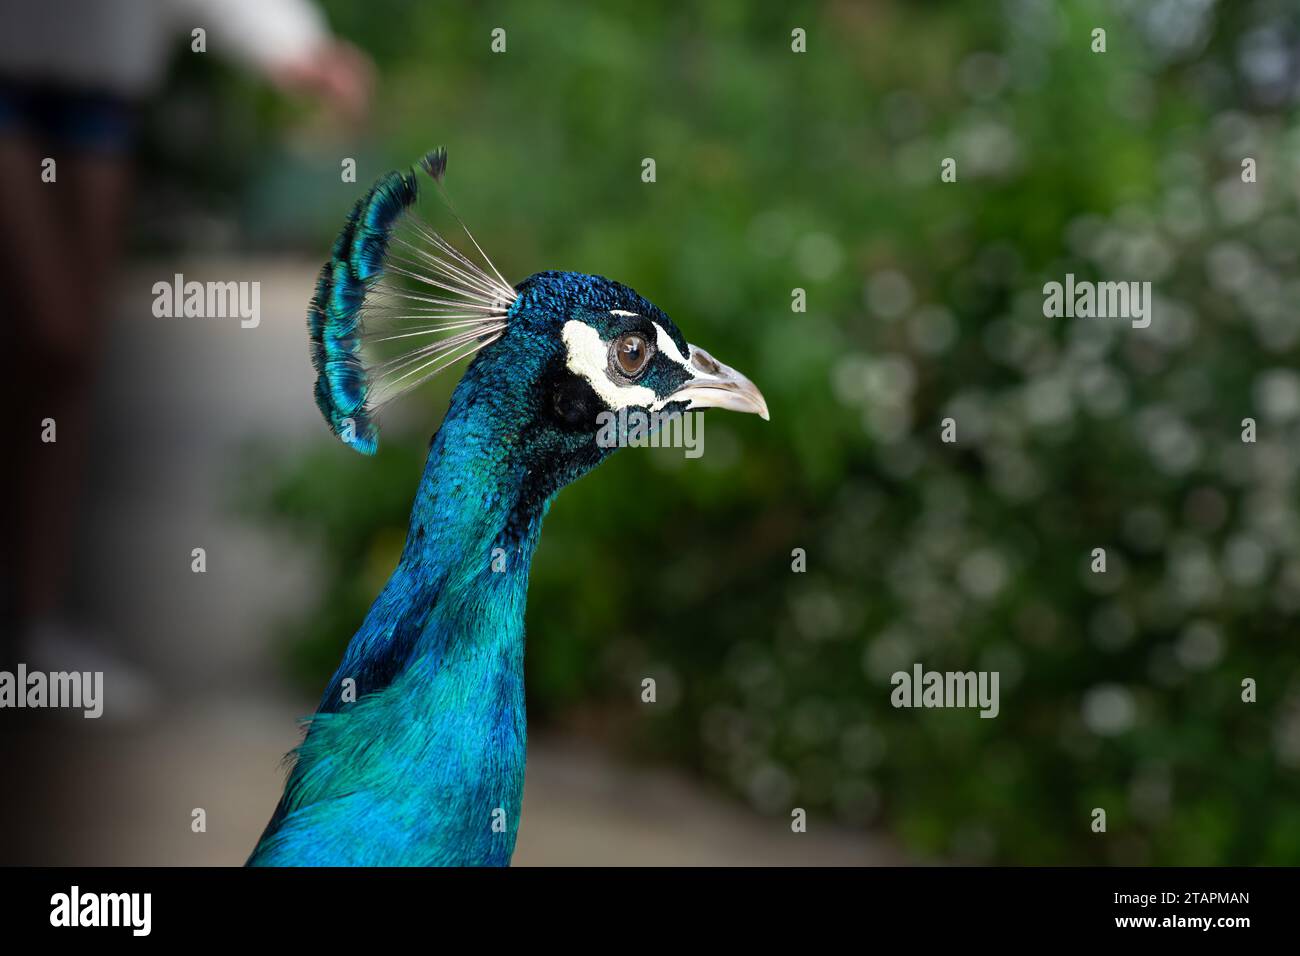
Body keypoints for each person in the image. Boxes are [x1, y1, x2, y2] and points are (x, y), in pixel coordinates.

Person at [0, 0, 373, 709]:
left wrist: (294, 44)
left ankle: (32, 625)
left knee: (69, 353)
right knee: (44, 329)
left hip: (103, 84)